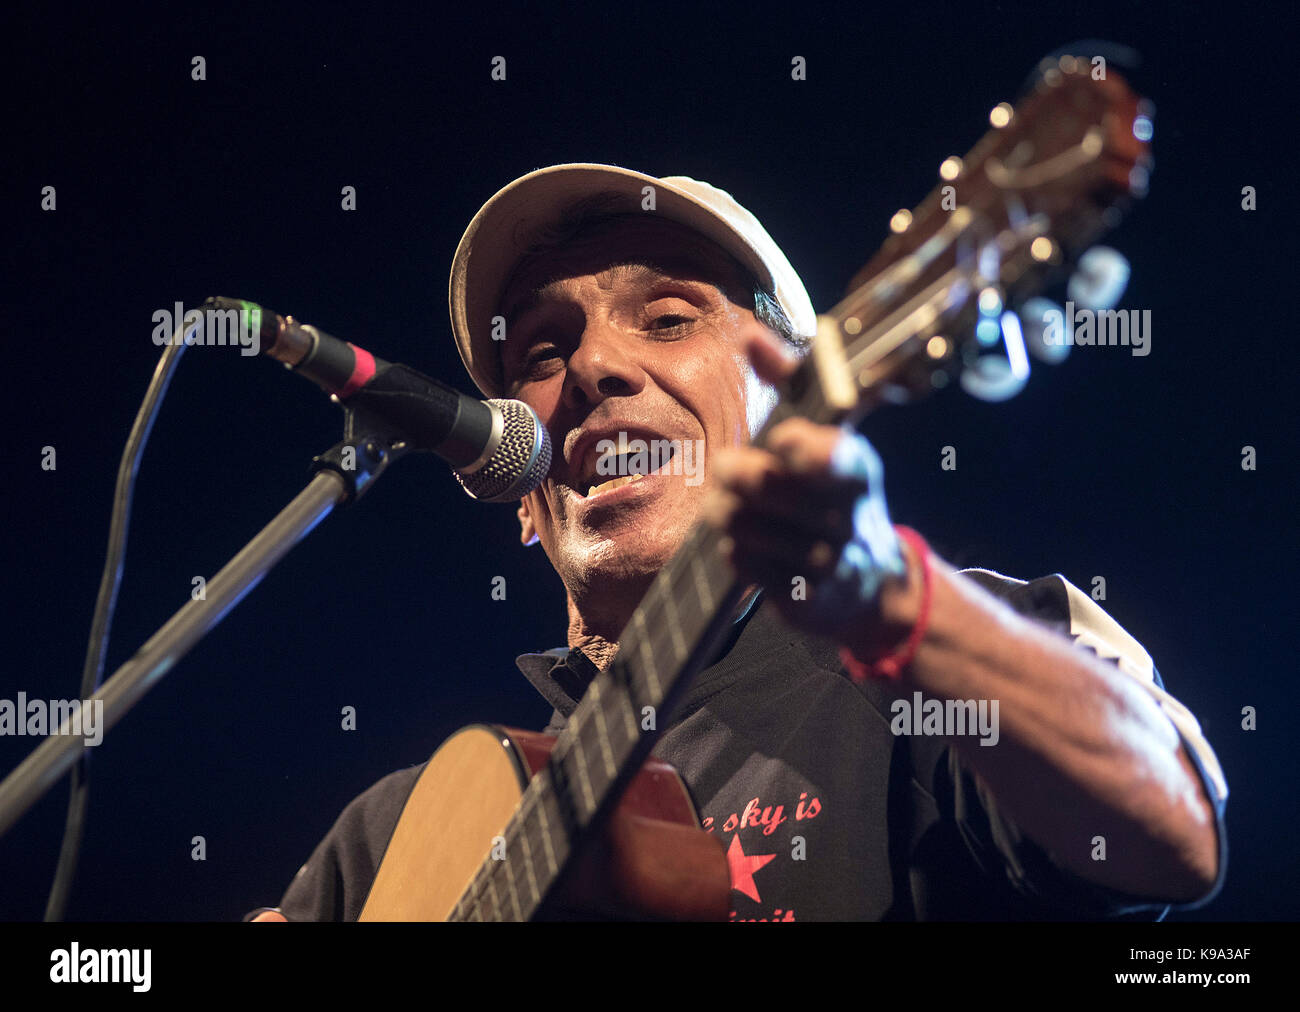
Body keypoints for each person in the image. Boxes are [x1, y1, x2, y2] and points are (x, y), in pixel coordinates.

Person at [246, 163, 1227, 922]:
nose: (592, 366)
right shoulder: (393, 839)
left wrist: (893, 602)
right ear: (517, 494)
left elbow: (1173, 838)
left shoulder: (939, 660)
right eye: (541, 352)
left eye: (667, 318)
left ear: (786, 396)